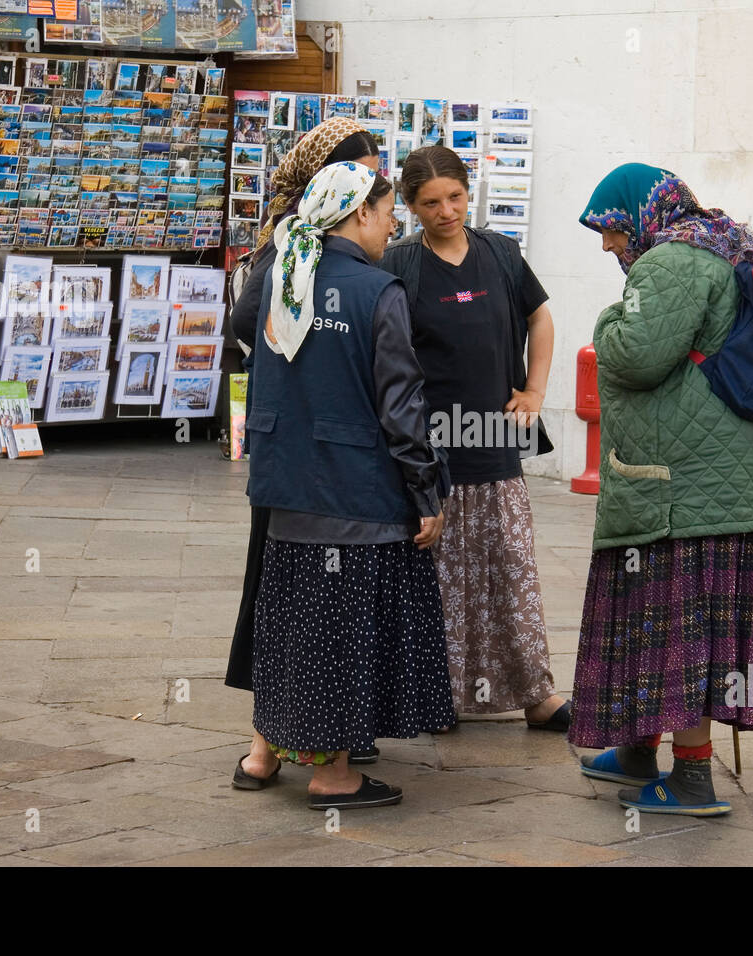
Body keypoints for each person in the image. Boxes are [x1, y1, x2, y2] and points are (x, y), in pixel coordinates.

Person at [239, 161, 454, 809]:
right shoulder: (378, 291)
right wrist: (427, 493)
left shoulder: (283, 273)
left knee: (287, 628)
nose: (394, 227)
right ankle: (334, 775)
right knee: (338, 636)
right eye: (389, 213)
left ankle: (261, 756)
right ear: (359, 213)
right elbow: (403, 408)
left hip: (284, 490)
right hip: (354, 495)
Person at [570, 163, 753, 816]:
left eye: (609, 229)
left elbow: (635, 354)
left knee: (677, 630)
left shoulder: (671, 261)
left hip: (681, 493)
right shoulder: (728, 245)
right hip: (712, 485)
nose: (607, 245)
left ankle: (690, 778)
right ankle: (638, 750)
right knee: (660, 622)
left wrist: (606, 323)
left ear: (638, 214)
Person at [380, 146, 567, 730]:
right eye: (430, 203)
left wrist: (534, 390)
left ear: (470, 191)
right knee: (439, 580)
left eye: (456, 197)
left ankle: (537, 695)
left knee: (511, 571)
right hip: (429, 452)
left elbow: (540, 317)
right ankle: (441, 698)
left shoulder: (501, 254)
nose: (447, 211)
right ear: (409, 207)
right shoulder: (397, 264)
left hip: (495, 443)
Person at [226, 119, 382, 784]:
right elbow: (244, 323)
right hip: (308, 462)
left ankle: (273, 750)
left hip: (285, 451)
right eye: (365, 169)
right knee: (289, 602)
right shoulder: (299, 241)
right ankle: (274, 749)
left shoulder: (299, 239)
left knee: (280, 600)